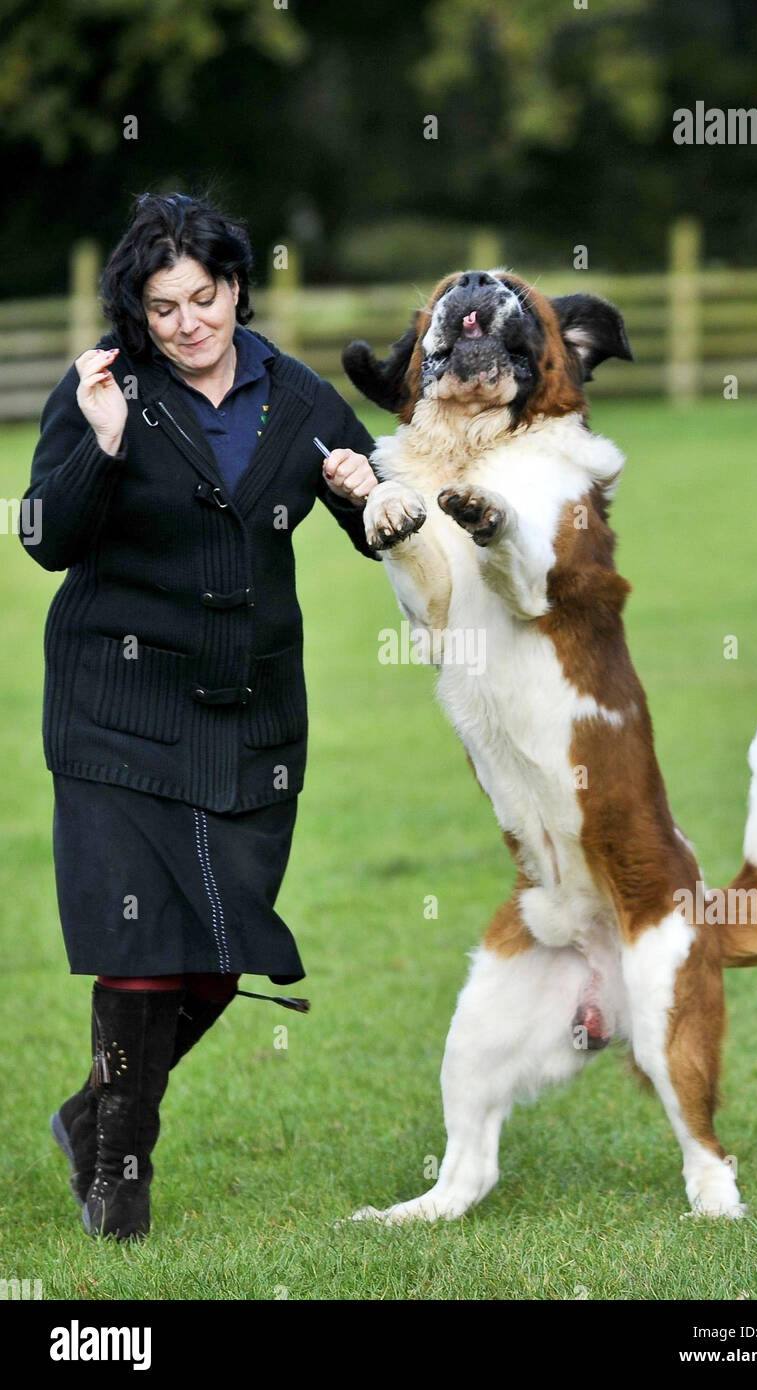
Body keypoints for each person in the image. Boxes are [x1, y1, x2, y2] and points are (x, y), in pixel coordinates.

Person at [19, 192, 382, 1241]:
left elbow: (376, 514)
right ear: (137, 310)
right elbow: (46, 534)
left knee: (220, 956)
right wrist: (103, 442)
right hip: (114, 707)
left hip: (246, 712)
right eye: (163, 306)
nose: (187, 322)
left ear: (235, 287)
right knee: (138, 940)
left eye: (204, 296)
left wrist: (370, 488)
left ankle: (91, 1114)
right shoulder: (106, 387)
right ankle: (119, 1184)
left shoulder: (297, 395)